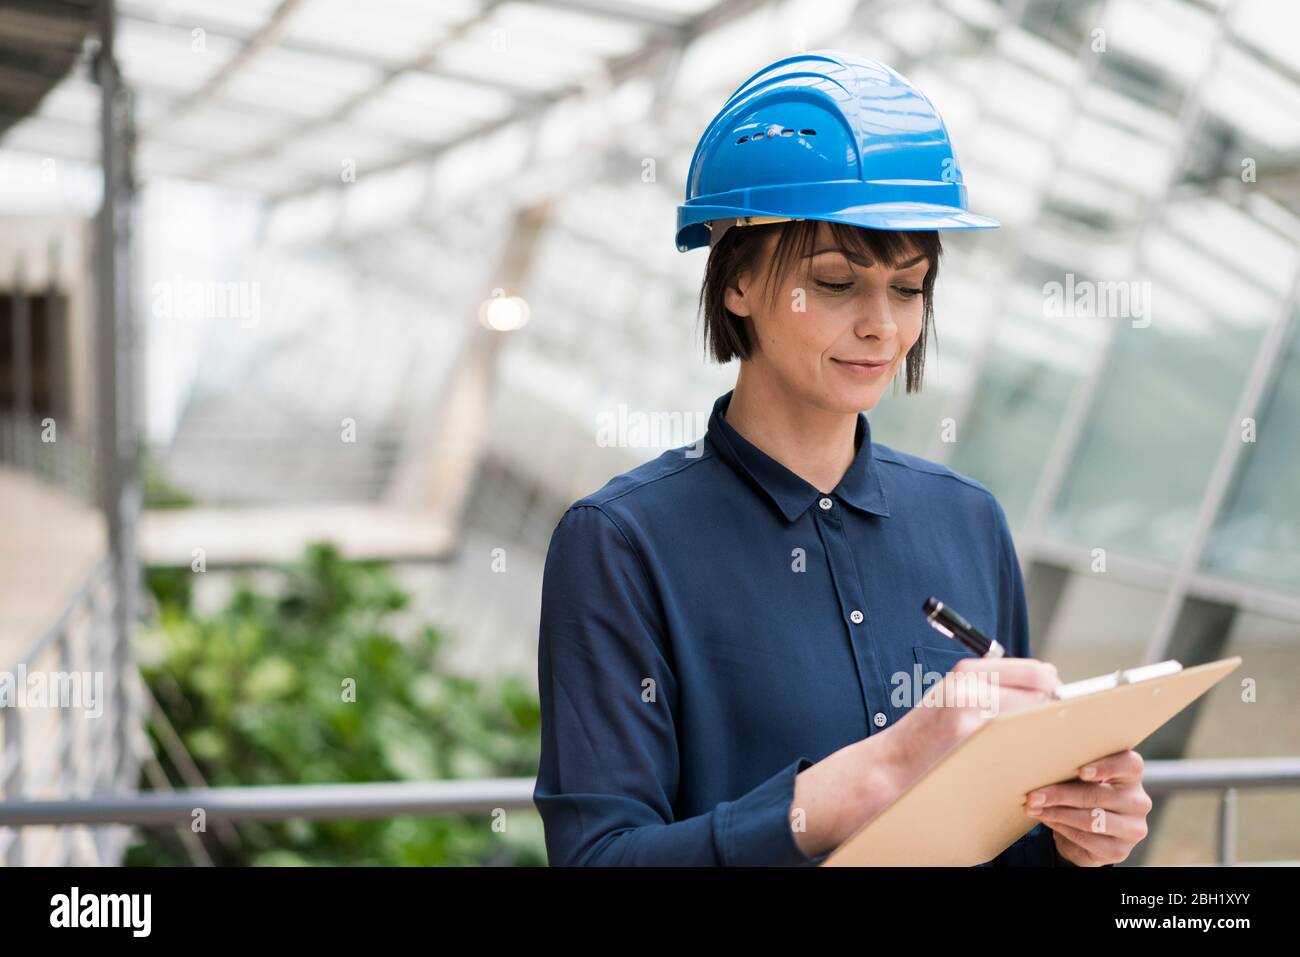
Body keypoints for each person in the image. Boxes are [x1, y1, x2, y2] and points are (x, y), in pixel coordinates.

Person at [534, 50, 1151, 866]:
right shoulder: (621, 543)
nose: (883, 328)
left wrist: (1076, 837)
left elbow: (998, 841)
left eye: (908, 288)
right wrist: (841, 791)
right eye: (834, 282)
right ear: (736, 284)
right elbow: (599, 858)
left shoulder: (968, 521)